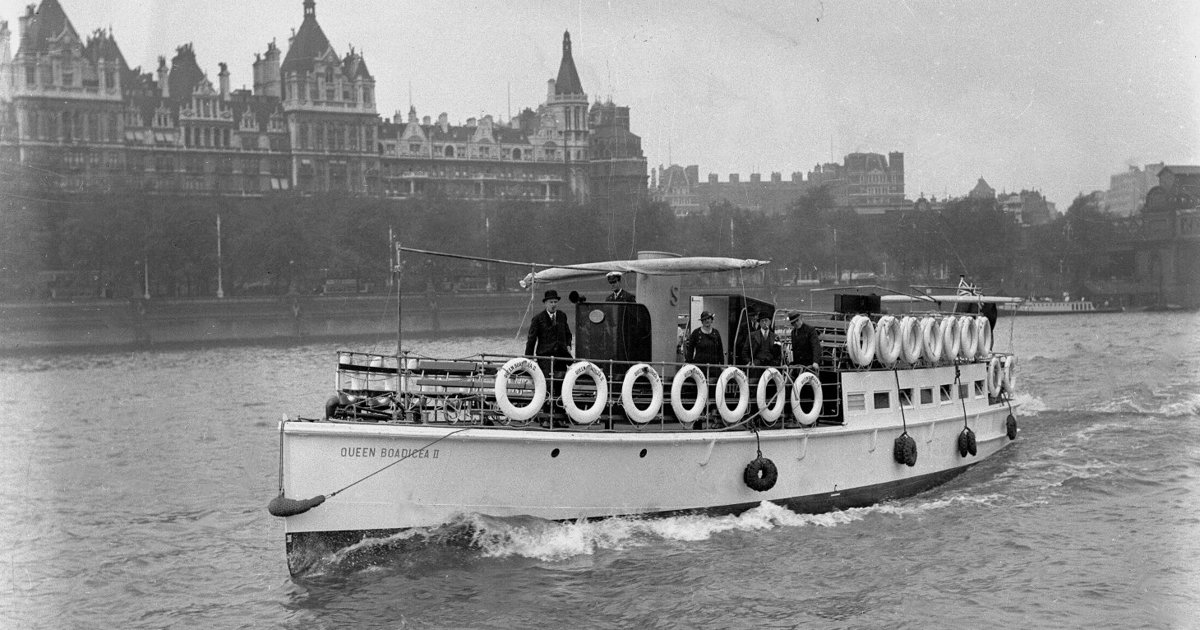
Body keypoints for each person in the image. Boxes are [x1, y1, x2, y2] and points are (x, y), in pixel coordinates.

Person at [525, 289, 573, 375]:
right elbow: (531, 340)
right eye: (551, 302)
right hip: (545, 357)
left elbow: (568, 334)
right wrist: (528, 359)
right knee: (548, 382)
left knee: (561, 382)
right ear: (545, 303)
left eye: (555, 302)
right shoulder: (538, 319)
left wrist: (568, 345)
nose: (553, 304)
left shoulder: (562, 316)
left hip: (561, 356)